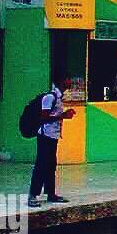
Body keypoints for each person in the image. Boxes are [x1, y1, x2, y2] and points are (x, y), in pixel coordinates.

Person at [28, 78, 76, 207]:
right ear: (61, 81)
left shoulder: (59, 98)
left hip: (53, 136)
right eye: (67, 80)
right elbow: (44, 118)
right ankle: (33, 194)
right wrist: (63, 116)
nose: (70, 82)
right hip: (45, 136)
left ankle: (51, 193)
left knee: (51, 165)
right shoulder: (50, 97)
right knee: (41, 165)